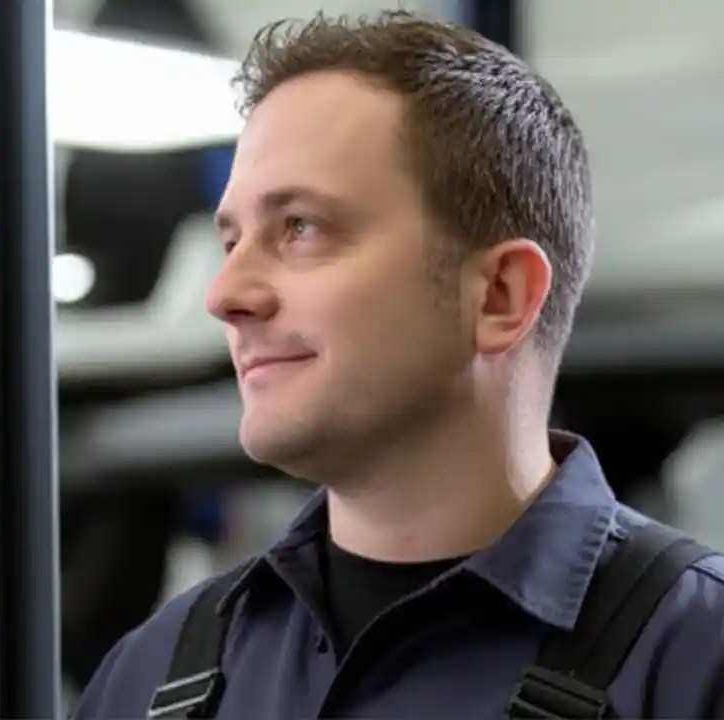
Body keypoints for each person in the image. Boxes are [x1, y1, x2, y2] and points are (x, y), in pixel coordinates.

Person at [71, 10, 724, 719]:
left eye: (301, 228)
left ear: (501, 296)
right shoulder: (152, 674)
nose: (227, 295)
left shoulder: (696, 661)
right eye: (232, 241)